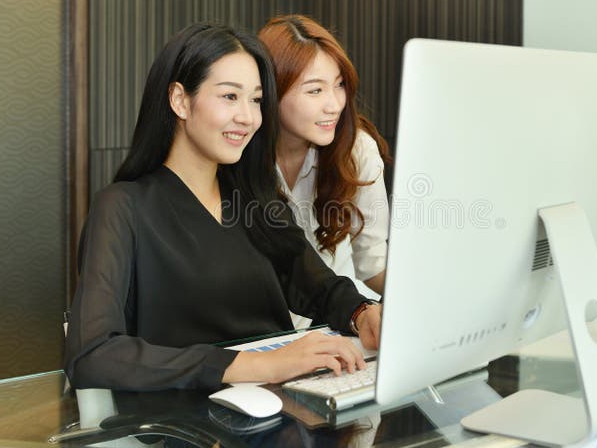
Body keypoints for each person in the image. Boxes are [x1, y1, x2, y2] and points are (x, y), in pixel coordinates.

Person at [64, 23, 381, 391]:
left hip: (283, 412)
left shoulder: (256, 201)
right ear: (180, 100)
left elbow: (319, 287)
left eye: (256, 100)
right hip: (191, 434)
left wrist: (362, 313)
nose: (248, 117)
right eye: (230, 97)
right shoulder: (121, 208)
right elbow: (92, 354)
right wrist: (259, 366)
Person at [258, 15, 391, 308]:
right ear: (271, 91)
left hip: (344, 318)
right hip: (268, 329)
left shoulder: (356, 151)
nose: (334, 105)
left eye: (339, 85)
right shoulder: (236, 155)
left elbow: (373, 264)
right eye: (315, 90)